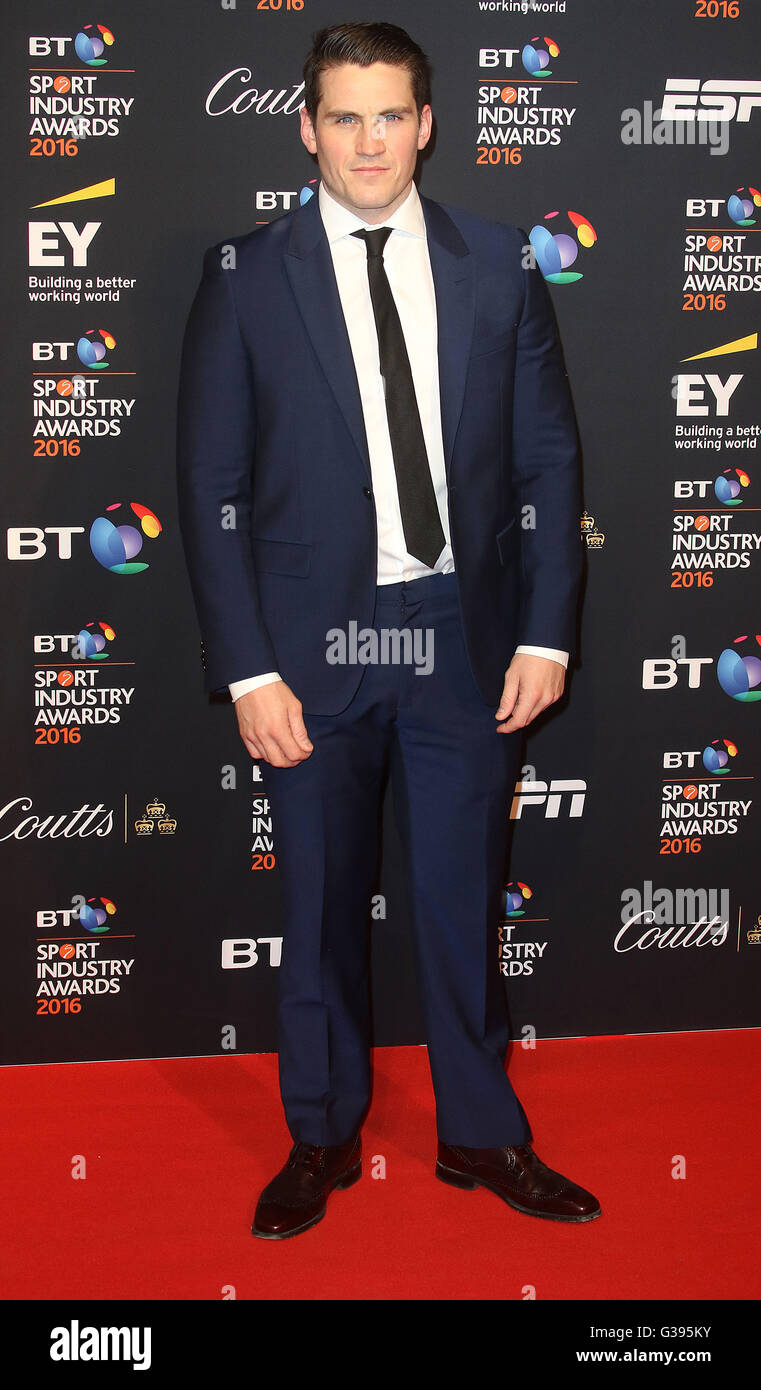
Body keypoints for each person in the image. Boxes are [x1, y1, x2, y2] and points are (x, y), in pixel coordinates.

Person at [176, 20, 601, 1239]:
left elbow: (547, 457)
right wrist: (248, 663)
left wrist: (544, 631)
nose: (368, 141)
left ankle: (478, 1131)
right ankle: (320, 1133)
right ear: (307, 129)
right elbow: (207, 484)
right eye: (343, 117)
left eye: (390, 115)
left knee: (463, 896)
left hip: (457, 634)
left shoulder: (497, 267)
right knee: (316, 903)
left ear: (426, 123)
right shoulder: (242, 277)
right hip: (311, 647)